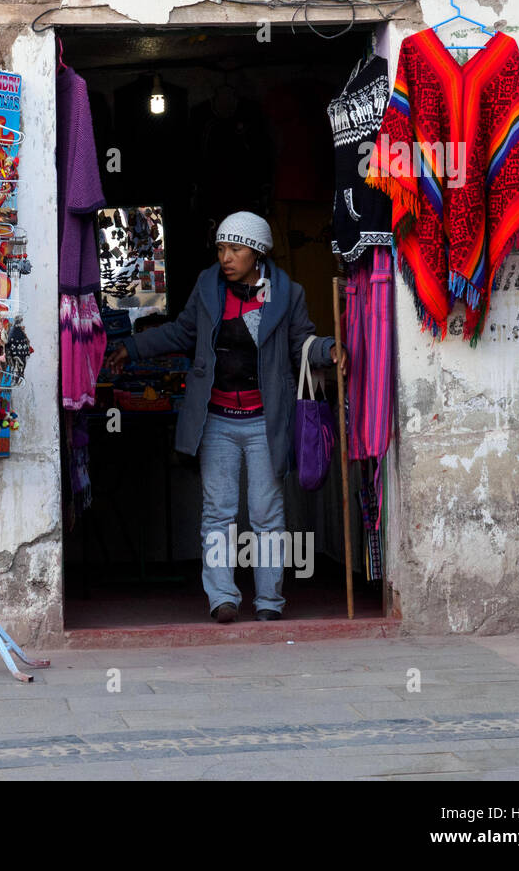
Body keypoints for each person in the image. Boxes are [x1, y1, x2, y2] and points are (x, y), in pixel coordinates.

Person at [104, 212, 341, 623]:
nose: (225, 257)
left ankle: (269, 602)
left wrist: (329, 350)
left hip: (266, 421)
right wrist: (134, 347)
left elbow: (301, 343)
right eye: (221, 248)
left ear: (258, 252)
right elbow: (182, 333)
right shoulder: (208, 286)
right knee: (218, 513)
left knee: (267, 515)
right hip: (217, 420)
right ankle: (222, 598)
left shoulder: (288, 294)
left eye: (235, 249)